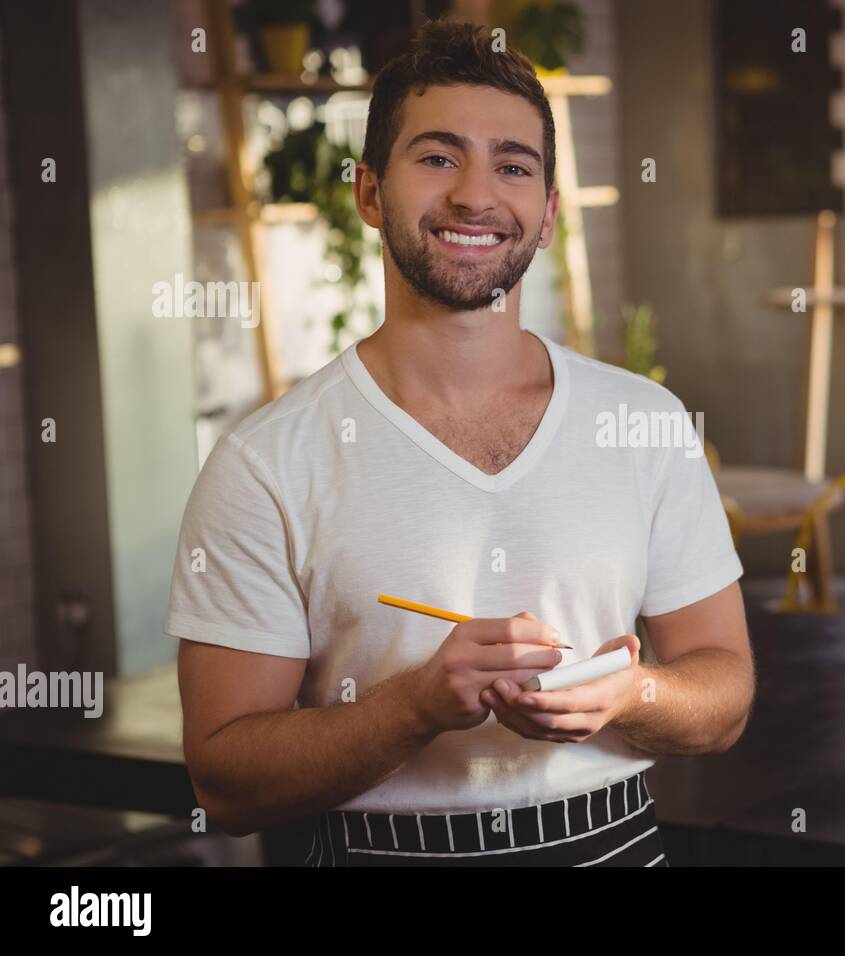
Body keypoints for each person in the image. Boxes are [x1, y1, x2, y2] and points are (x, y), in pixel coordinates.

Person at [165, 17, 752, 867]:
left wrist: (634, 692)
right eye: (438, 158)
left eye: (512, 166)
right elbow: (223, 782)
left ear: (547, 213)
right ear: (370, 192)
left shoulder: (646, 423)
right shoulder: (266, 465)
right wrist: (413, 707)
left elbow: (723, 692)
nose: (477, 196)